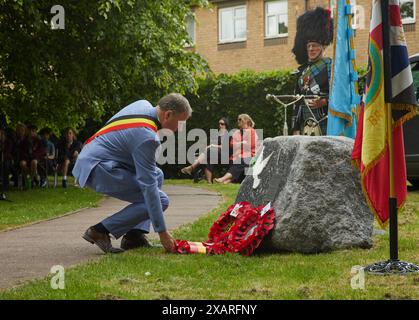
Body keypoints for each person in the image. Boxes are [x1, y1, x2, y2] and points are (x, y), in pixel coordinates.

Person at [73, 93, 192, 254]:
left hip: (93, 159)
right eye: (180, 123)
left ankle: (135, 236)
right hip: (97, 168)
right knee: (161, 199)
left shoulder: (142, 104)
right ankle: (100, 230)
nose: (179, 129)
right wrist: (162, 232)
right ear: (168, 114)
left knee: (157, 175)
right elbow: (147, 186)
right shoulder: (146, 137)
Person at [291, 7, 333, 136]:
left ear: (323, 46)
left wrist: (324, 101)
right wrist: (295, 128)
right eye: (308, 46)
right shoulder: (301, 70)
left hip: (325, 119)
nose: (311, 49)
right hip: (305, 123)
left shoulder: (329, 65)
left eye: (314, 45)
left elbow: (339, 93)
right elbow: (297, 101)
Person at [180, 117, 231, 183]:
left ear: (226, 125)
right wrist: (210, 146)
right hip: (215, 154)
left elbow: (224, 147)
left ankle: (191, 167)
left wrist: (212, 146)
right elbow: (213, 144)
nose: (220, 125)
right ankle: (209, 182)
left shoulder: (228, 134)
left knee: (208, 152)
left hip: (224, 156)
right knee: (208, 159)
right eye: (219, 124)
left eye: (222, 124)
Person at [214, 114, 258, 184]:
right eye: (238, 119)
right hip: (236, 157)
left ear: (246, 121)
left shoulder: (251, 131)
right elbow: (231, 145)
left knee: (241, 162)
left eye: (240, 119)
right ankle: (227, 181)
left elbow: (251, 145)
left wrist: (239, 144)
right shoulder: (237, 132)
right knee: (238, 163)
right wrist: (242, 143)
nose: (238, 121)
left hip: (248, 156)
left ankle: (223, 179)